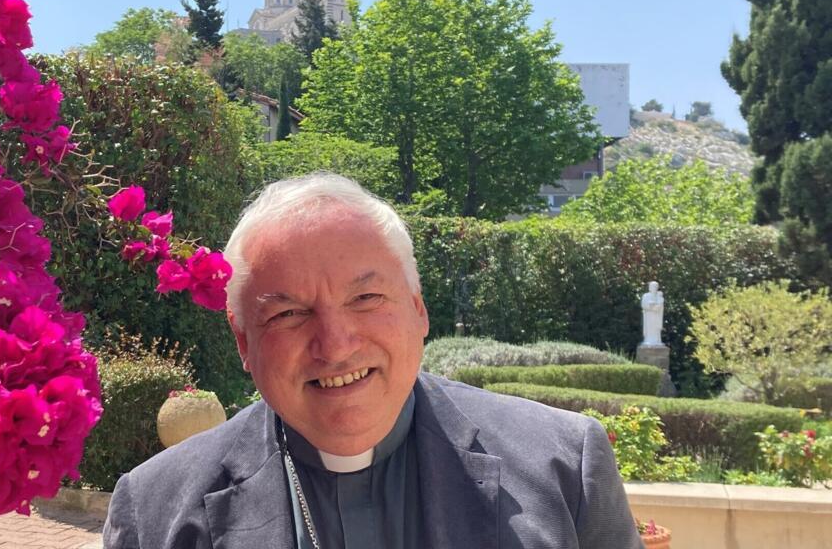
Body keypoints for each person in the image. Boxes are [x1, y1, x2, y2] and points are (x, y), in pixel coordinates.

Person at [103, 173, 641, 549]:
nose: (335, 345)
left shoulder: (566, 468)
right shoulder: (154, 511)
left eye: (365, 299)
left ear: (417, 309)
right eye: (289, 313)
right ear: (243, 341)